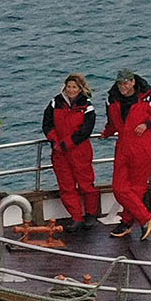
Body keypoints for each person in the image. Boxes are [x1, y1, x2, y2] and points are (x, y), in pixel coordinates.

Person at [103, 72, 151, 239]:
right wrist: (107, 132)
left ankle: (127, 223)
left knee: (136, 188)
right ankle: (145, 218)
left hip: (143, 147)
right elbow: (111, 120)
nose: (124, 87)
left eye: (127, 83)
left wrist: (147, 124)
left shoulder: (149, 96)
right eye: (121, 84)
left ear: (133, 82)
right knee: (118, 187)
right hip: (123, 146)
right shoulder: (112, 99)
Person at [43, 74, 101, 229]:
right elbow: (47, 125)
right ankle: (76, 217)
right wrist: (55, 141)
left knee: (86, 184)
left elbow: (86, 130)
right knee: (66, 186)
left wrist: (68, 143)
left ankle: (90, 214)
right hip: (59, 152)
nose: (71, 90)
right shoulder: (55, 103)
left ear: (80, 88)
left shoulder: (87, 107)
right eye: (68, 86)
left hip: (80, 150)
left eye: (74, 87)